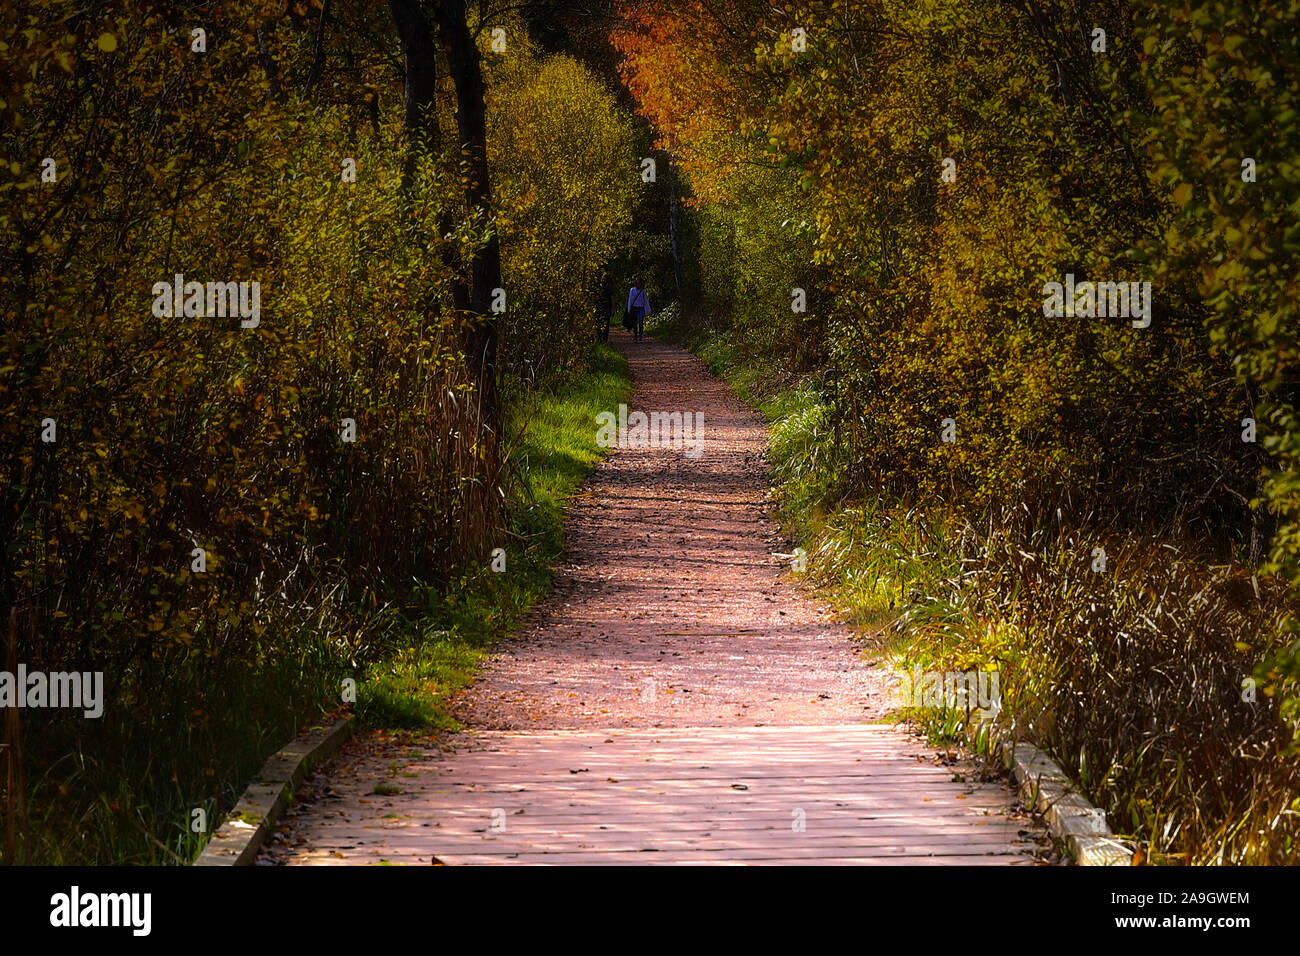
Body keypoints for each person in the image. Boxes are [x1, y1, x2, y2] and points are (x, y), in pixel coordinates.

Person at [626, 275, 651, 342]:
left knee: (640, 321)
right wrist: (629, 308)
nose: (638, 283)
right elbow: (630, 299)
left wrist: (648, 309)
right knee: (634, 323)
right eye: (637, 282)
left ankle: (640, 337)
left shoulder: (643, 291)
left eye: (640, 282)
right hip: (634, 308)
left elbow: (645, 300)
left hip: (641, 308)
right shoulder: (632, 290)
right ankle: (635, 336)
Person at [596, 272, 614, 342]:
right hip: (598, 308)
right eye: (602, 279)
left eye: (605, 279)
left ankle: (604, 340)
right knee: (598, 324)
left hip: (607, 309)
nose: (603, 280)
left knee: (606, 325)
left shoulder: (609, 288)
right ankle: (599, 339)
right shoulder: (597, 287)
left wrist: (612, 309)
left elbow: (612, 299)